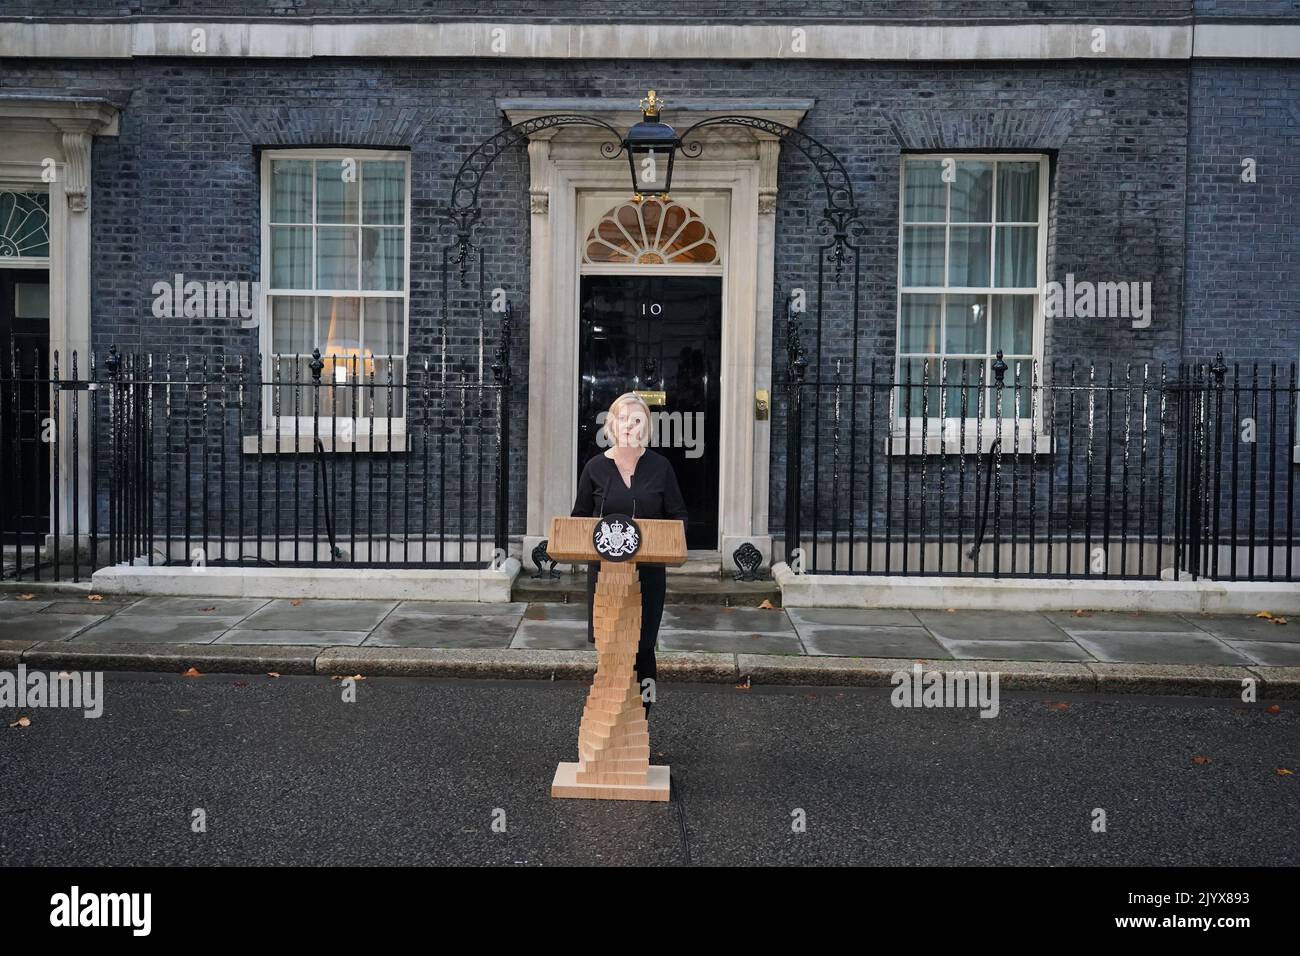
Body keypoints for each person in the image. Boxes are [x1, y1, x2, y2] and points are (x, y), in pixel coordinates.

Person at [570, 392, 689, 719]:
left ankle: (640, 719)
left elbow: (679, 516)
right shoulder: (594, 468)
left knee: (643, 648)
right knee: (610, 649)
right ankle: (608, 722)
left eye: (637, 420)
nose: (629, 426)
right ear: (612, 424)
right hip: (605, 576)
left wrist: (666, 540)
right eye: (623, 419)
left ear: (646, 427)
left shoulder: (661, 467)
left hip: (647, 576)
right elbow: (579, 517)